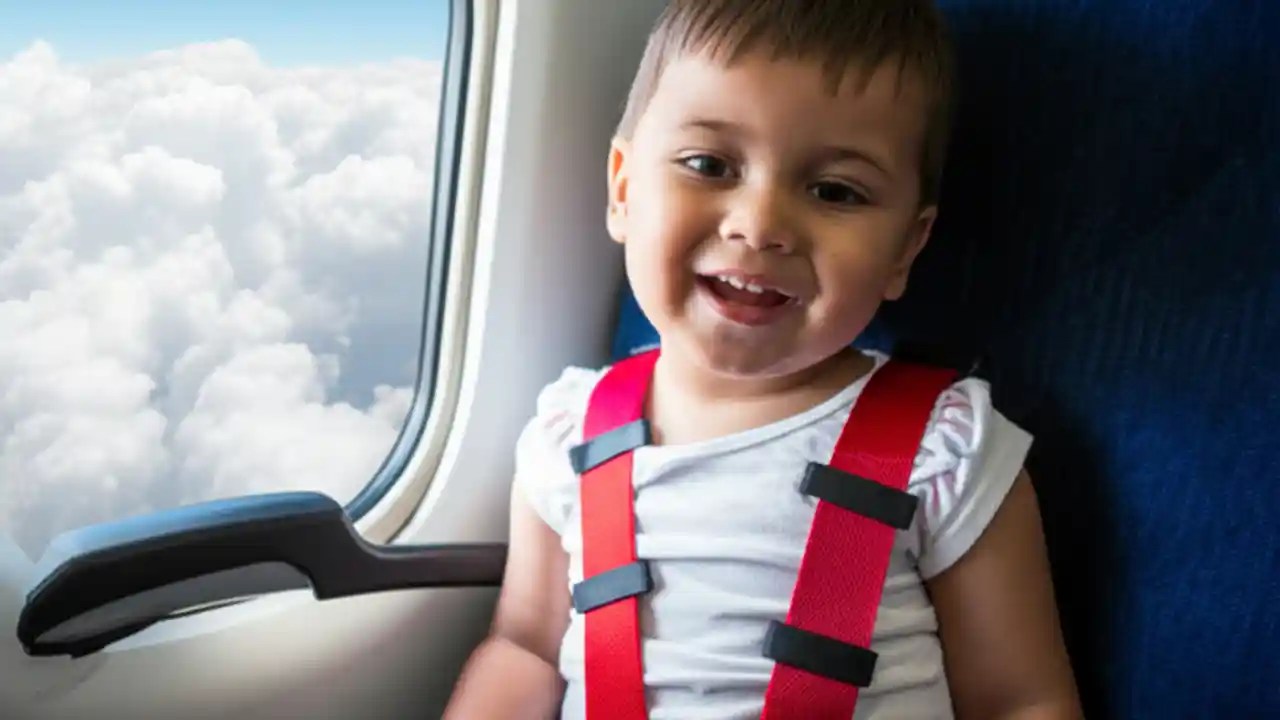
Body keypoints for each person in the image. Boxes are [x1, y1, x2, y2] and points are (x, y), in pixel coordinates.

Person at [445, 1, 1083, 717]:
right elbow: (526, 648)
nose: (760, 225)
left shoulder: (943, 450)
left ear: (906, 246)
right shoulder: (569, 435)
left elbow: (1019, 700)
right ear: (624, 189)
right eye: (709, 165)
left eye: (835, 191)